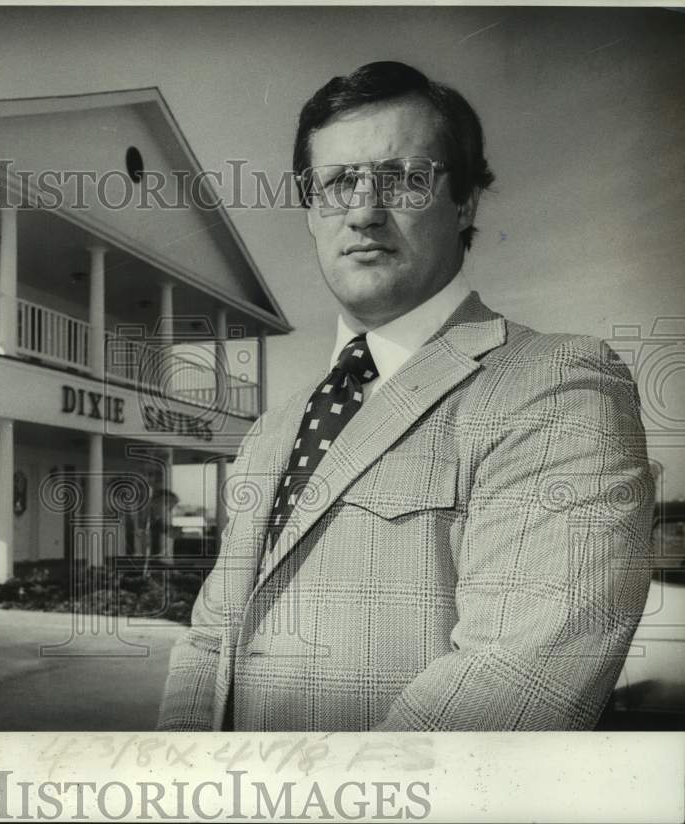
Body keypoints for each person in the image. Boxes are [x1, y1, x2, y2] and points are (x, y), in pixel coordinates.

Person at [156, 61, 654, 731]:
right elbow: (209, 642)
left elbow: (516, 680)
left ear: (465, 202)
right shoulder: (272, 429)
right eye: (338, 183)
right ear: (310, 212)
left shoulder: (555, 385)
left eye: (405, 179)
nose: (364, 211)